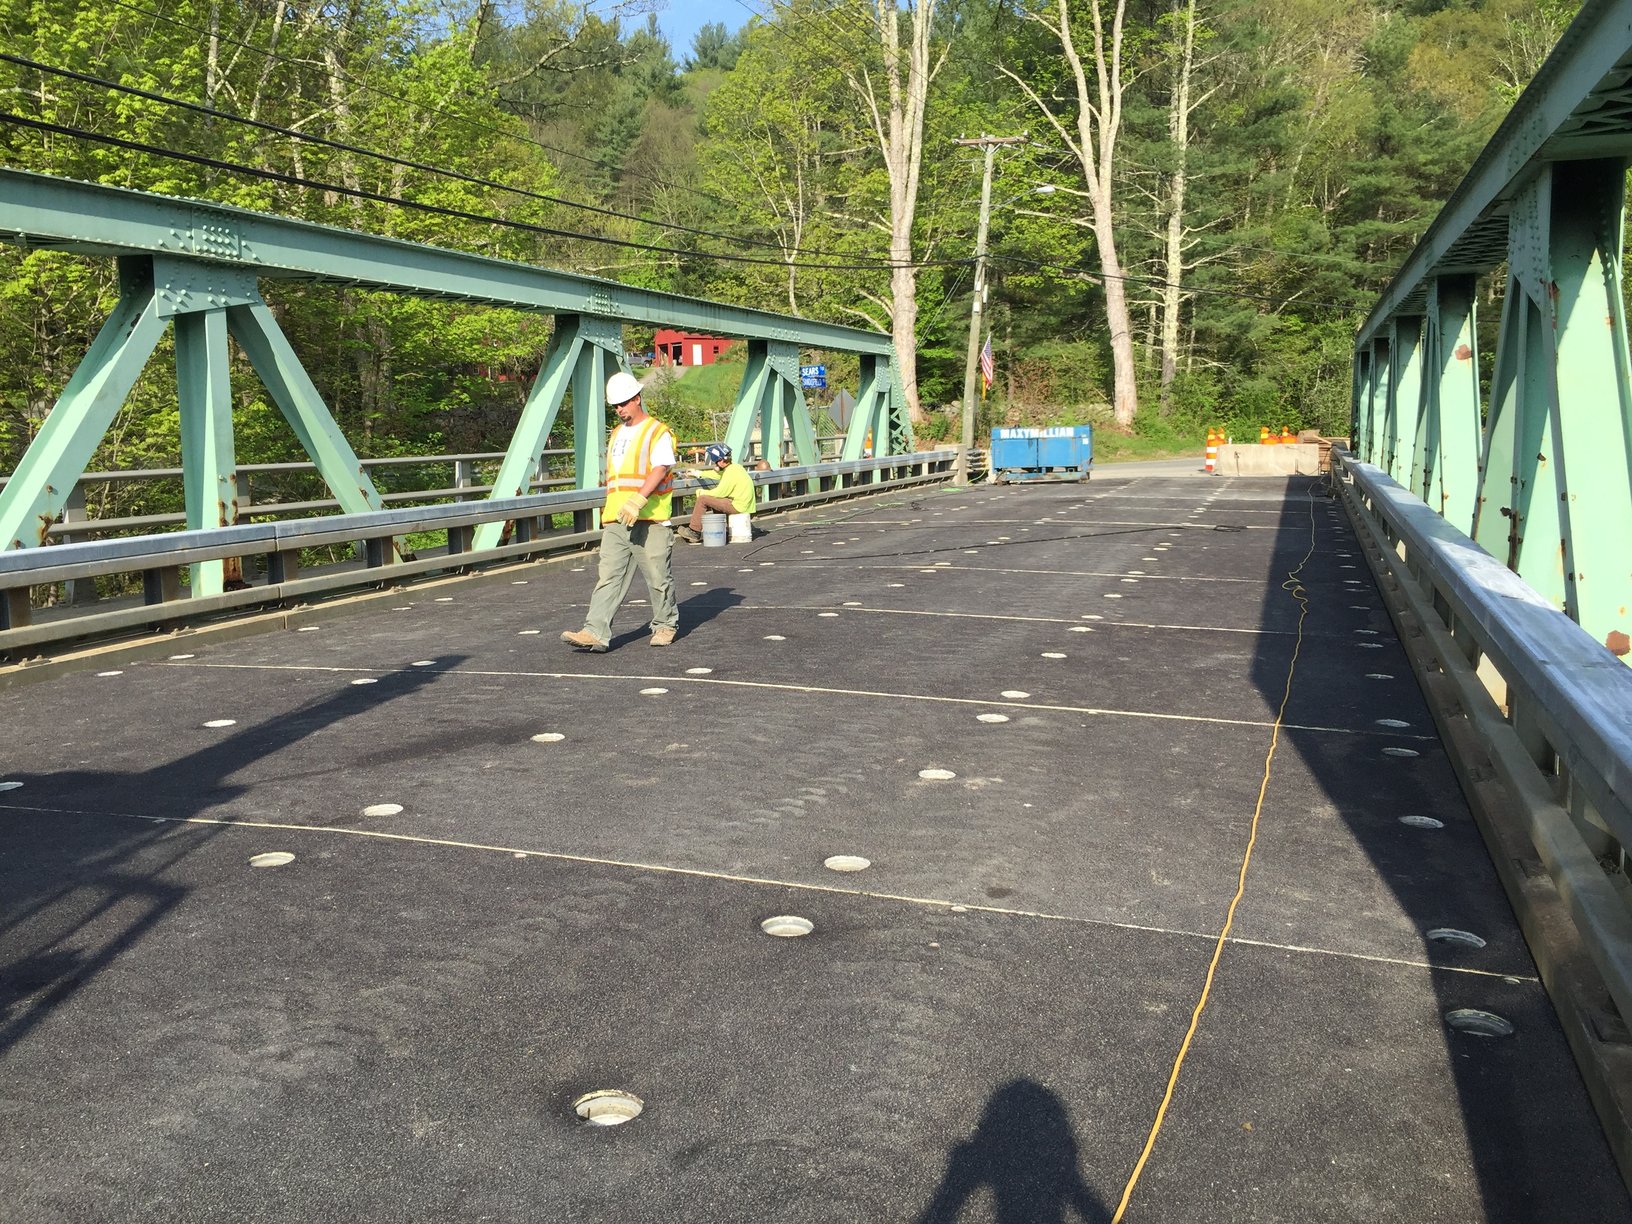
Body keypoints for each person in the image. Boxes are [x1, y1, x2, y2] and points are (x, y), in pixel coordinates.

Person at [560, 372, 679, 651]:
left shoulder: (658, 432)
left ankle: (665, 625)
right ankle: (595, 631)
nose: (619, 410)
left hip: (649, 516)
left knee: (657, 576)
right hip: (617, 516)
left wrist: (638, 500)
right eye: (615, 405)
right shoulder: (616, 434)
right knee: (608, 575)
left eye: (623, 403)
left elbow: (660, 468)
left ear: (637, 398)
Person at [674, 443, 756, 544]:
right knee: (716, 502)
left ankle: (694, 531)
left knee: (703, 499)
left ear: (721, 461)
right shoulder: (735, 467)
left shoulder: (730, 472)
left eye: (716, 462)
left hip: (738, 506)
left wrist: (701, 492)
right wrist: (698, 473)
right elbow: (718, 475)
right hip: (744, 505)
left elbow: (720, 492)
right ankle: (723, 530)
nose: (715, 465)